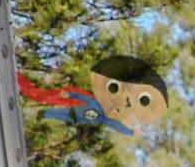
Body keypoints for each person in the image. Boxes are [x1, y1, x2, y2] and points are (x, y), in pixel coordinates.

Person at [17, 56, 169, 136]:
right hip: (75, 100)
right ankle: (18, 79)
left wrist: (130, 131)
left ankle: (21, 83)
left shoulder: (106, 116)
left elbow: (117, 125)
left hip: (75, 109)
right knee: (42, 96)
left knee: (55, 108)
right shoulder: (100, 106)